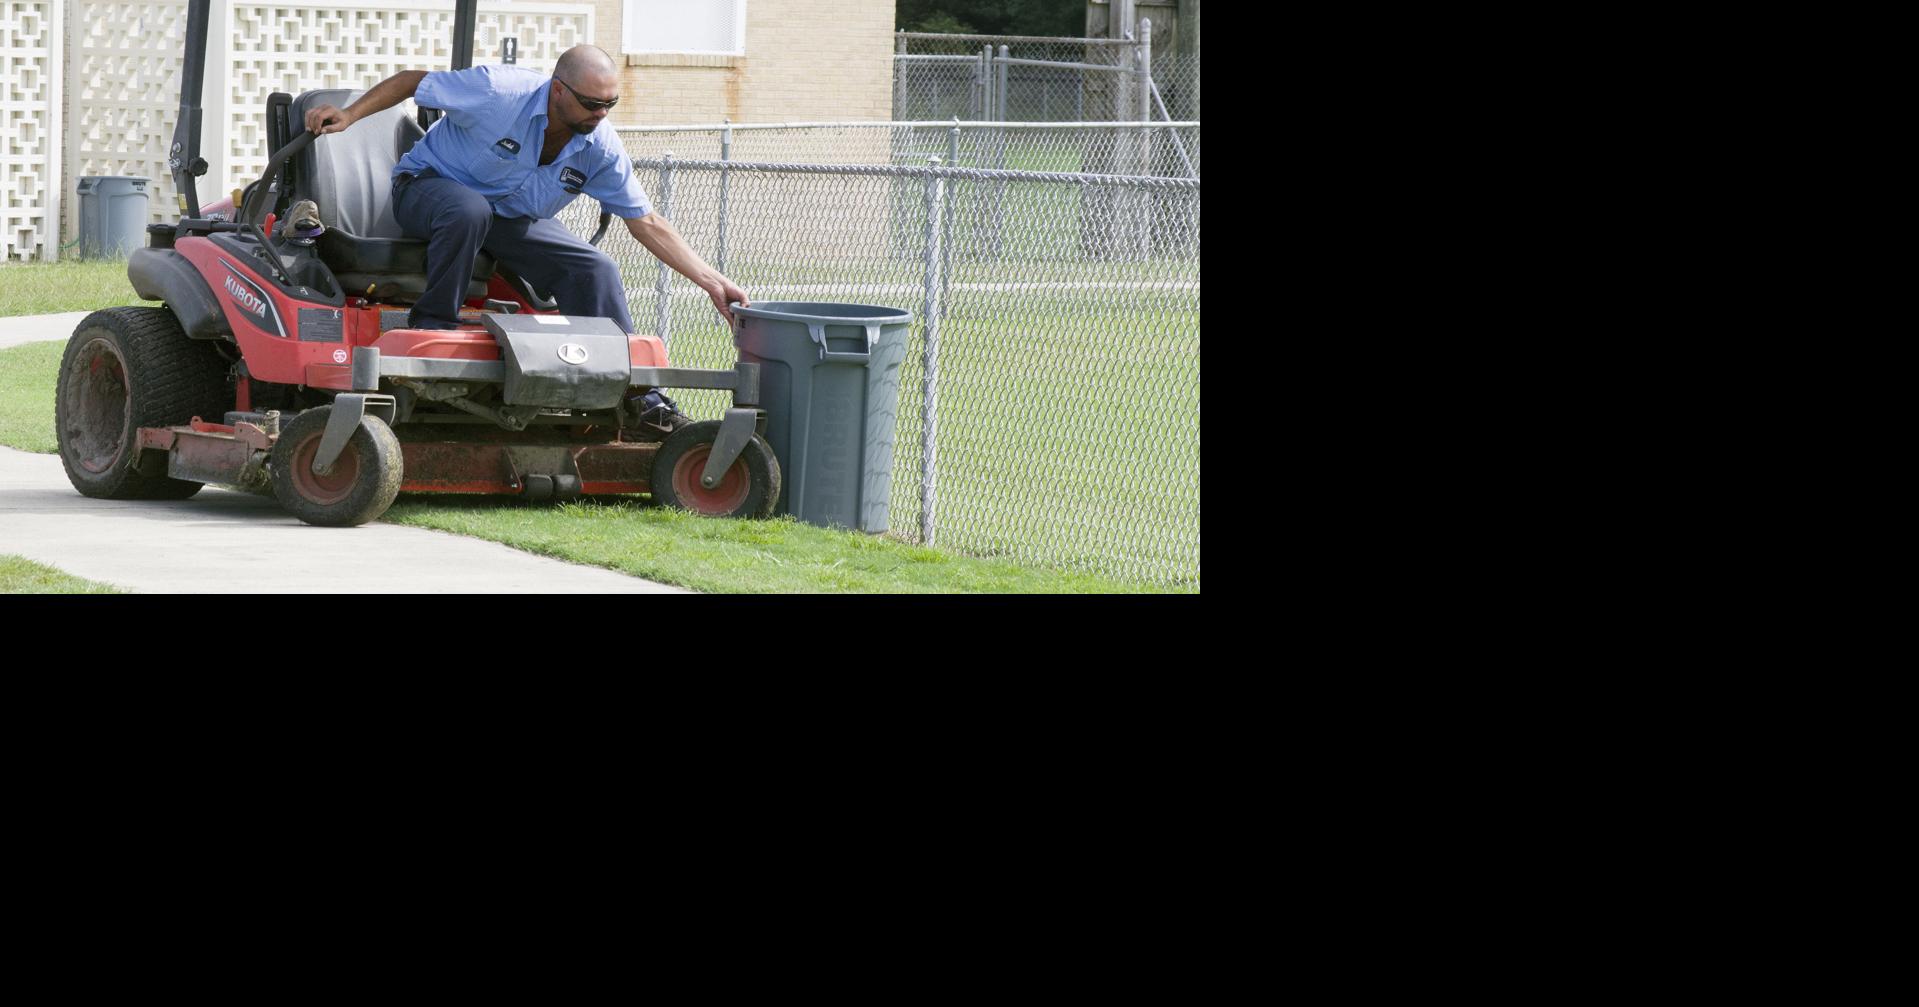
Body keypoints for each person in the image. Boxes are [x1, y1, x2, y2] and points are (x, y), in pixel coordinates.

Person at [301, 45, 747, 338]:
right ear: (557, 90)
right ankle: (433, 328)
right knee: (469, 209)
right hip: (426, 191)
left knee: (595, 269)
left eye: (609, 105)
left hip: (505, 219)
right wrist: (350, 114)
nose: (600, 114)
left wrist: (713, 282)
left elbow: (646, 222)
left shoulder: (600, 147)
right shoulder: (498, 92)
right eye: (592, 104)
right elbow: (411, 81)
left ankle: (629, 390)